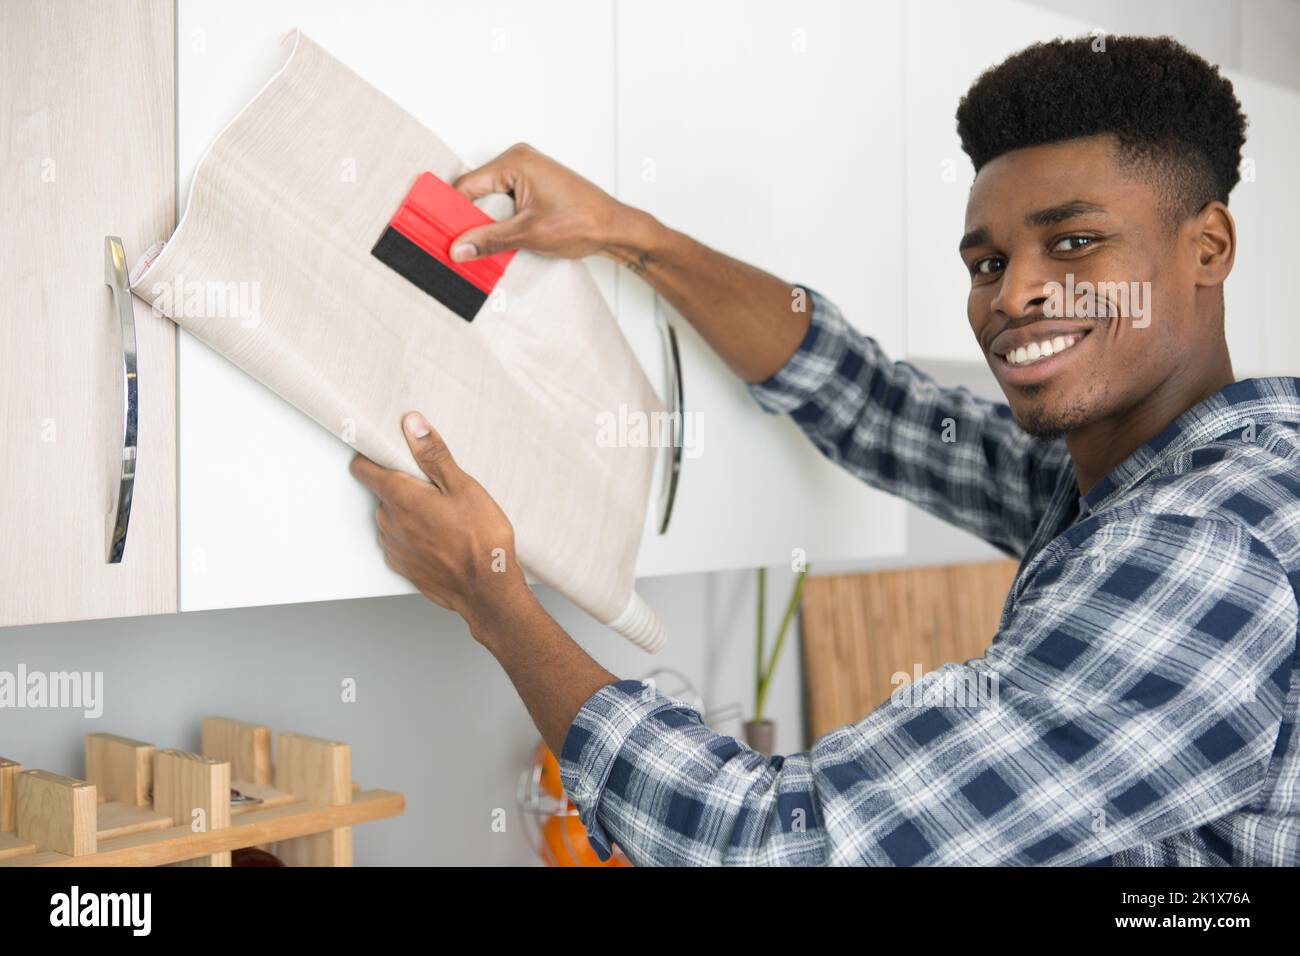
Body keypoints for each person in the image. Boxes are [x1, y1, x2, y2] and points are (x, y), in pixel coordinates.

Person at [348, 35, 1299, 865]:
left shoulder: (1203, 553)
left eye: (1077, 242)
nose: (1014, 297)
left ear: (1207, 246)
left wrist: (492, 598)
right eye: (988, 263)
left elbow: (775, 845)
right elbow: (873, 405)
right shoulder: (1167, 477)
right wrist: (631, 236)